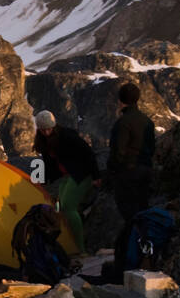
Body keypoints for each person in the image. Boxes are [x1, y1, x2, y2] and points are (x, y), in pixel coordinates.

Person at [33, 109, 100, 253]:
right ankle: (69, 246)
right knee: (60, 209)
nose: (46, 132)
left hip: (81, 174)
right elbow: (48, 164)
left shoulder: (67, 136)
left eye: (48, 128)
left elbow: (88, 153)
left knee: (68, 208)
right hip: (68, 176)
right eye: (43, 129)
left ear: (54, 126)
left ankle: (80, 249)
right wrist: (44, 182)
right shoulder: (44, 141)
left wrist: (96, 176)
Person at [106, 82, 155, 275]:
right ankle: (144, 256)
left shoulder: (123, 123)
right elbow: (151, 148)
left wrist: (112, 173)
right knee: (141, 211)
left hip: (127, 174)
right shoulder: (147, 121)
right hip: (145, 171)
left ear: (120, 101)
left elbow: (118, 152)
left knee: (129, 215)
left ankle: (129, 259)